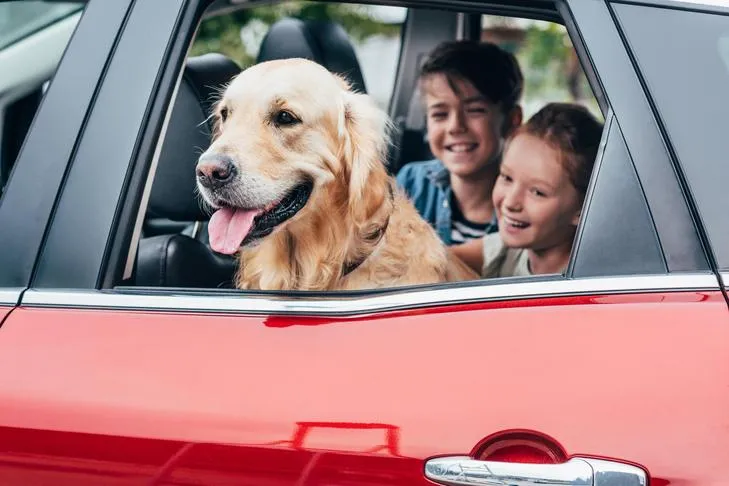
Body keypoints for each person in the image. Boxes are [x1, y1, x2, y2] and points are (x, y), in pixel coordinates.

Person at [450, 102, 603, 277]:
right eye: (507, 178)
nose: (510, 202)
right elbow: (438, 261)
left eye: (537, 192)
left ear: (583, 210)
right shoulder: (506, 251)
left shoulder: (588, 281)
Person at [396, 40, 524, 245]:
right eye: (440, 114)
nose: (455, 126)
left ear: (512, 120)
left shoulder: (526, 208)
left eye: (475, 110)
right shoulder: (411, 183)